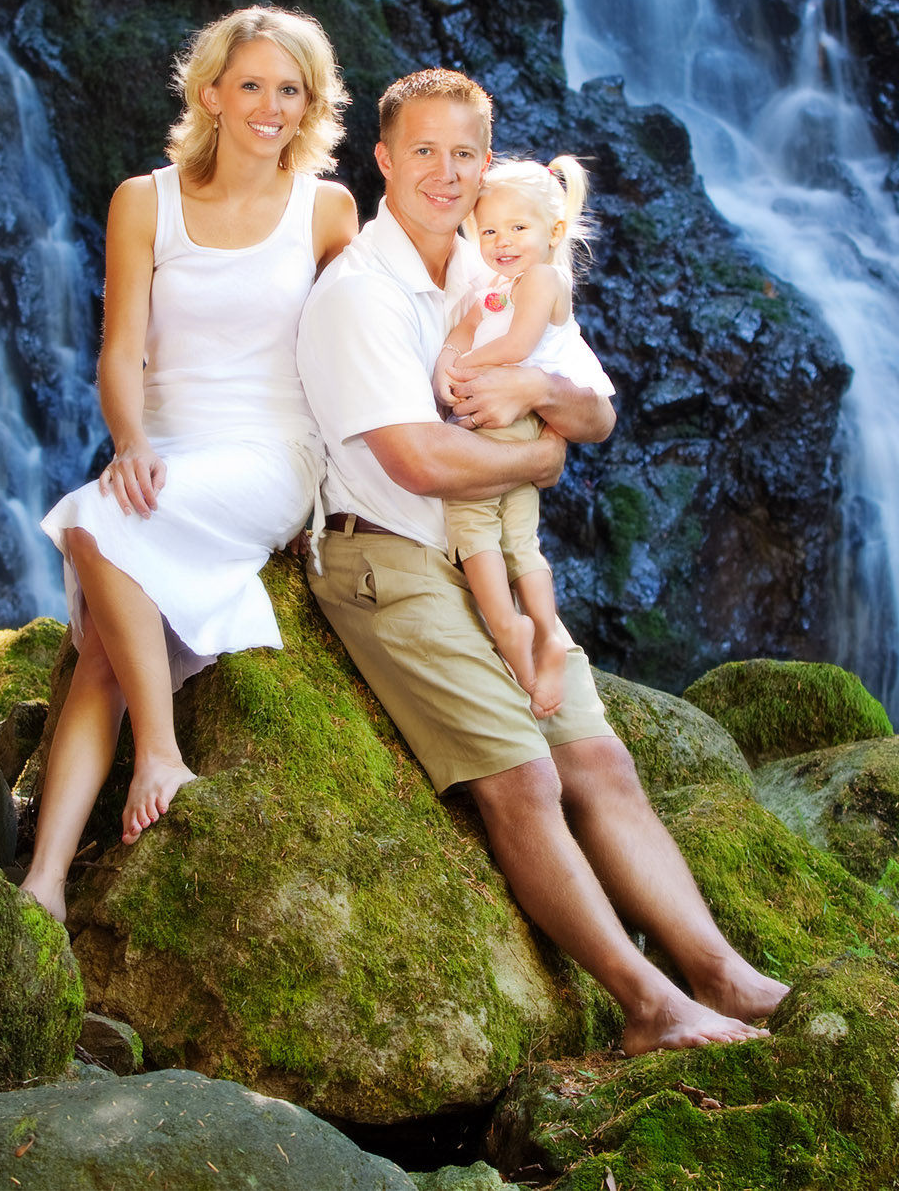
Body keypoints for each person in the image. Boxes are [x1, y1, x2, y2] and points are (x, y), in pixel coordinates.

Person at [296, 69, 789, 1054]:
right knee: (523, 777)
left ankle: (719, 973)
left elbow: (594, 411)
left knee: (599, 759)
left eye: (463, 153)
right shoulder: (359, 293)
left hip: (482, 553)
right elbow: (418, 459)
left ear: (488, 163)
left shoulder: (500, 266)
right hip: (387, 559)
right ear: (382, 158)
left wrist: (533, 389)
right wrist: (534, 454)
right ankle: (649, 1006)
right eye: (423, 150)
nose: (445, 172)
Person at [19, 6, 358, 922]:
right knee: (102, 646)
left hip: (270, 449)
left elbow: (360, 348)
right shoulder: (145, 200)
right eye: (251, 85)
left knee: (94, 526)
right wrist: (130, 443)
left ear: (310, 105)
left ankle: (160, 752)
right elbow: (119, 351)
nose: (270, 107)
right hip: (164, 447)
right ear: (211, 94)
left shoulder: (327, 211)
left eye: (290, 90)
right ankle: (46, 879)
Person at [435, 155, 599, 720]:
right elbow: (466, 329)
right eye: (488, 231)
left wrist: (462, 372)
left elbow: (518, 345)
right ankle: (546, 639)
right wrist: (448, 358)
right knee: (519, 539)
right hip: (512, 420)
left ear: (554, 231)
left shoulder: (543, 279)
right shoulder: (500, 285)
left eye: (518, 228)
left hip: (508, 420)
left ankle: (509, 629)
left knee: (469, 517)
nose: (502, 241)